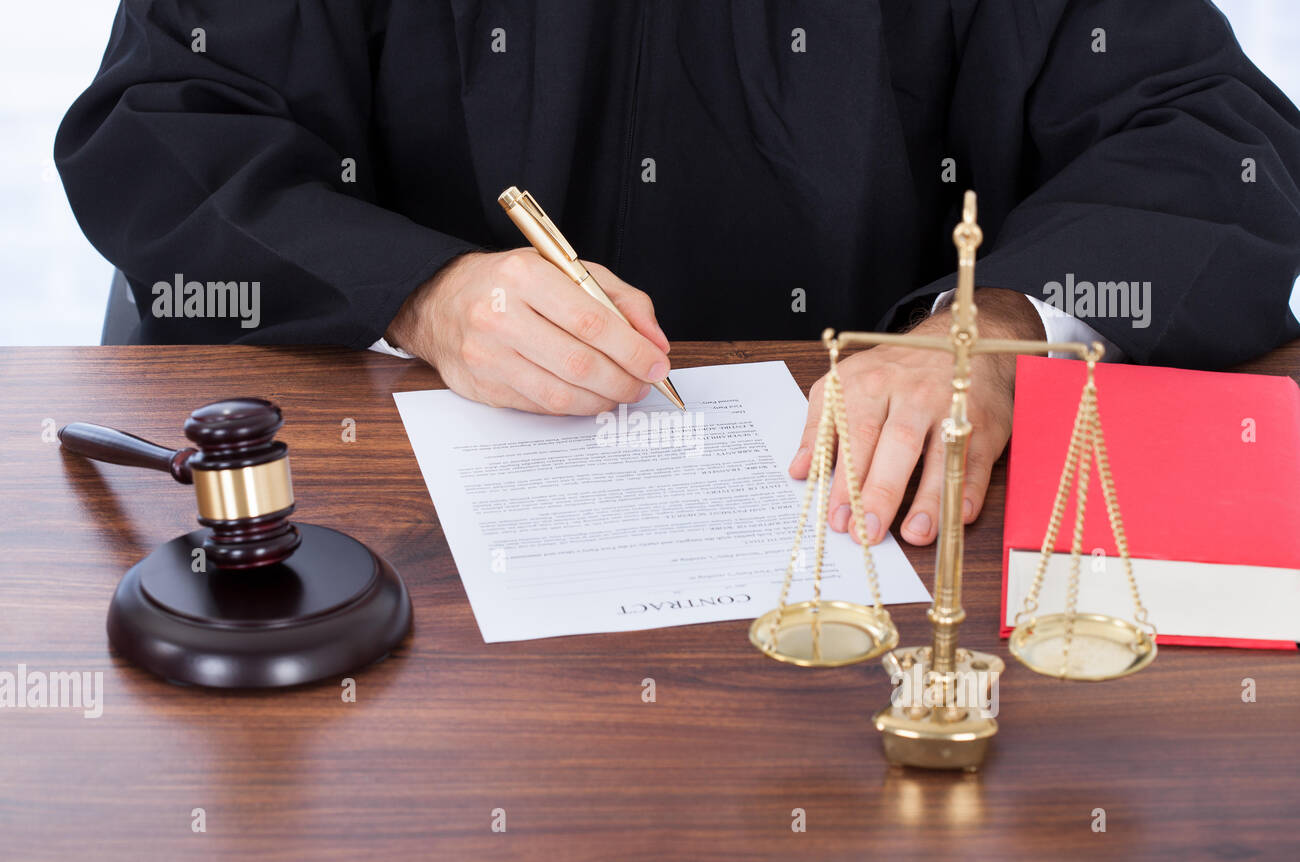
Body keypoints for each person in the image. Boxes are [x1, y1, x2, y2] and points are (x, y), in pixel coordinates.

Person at [55, 1, 1300, 548]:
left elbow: (1198, 128)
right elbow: (172, 113)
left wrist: (1002, 325)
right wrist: (422, 292)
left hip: (887, 527)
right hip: (416, 538)